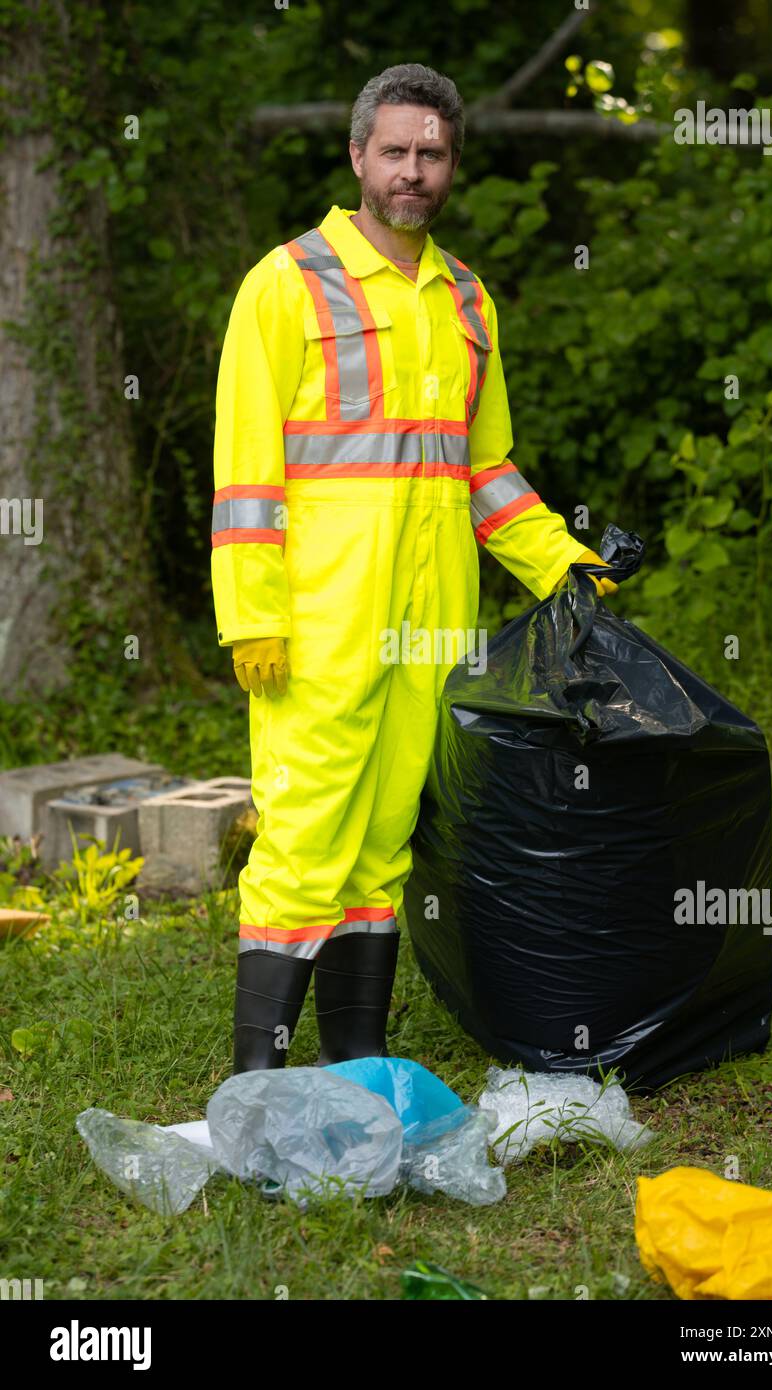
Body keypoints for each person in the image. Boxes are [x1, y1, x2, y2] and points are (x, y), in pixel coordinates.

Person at [211, 63, 617, 1074]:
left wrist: (560, 565)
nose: (410, 170)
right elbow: (245, 468)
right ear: (356, 156)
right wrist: (251, 616)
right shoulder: (287, 282)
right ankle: (254, 1079)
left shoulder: (466, 300)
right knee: (304, 831)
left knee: (385, 838)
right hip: (318, 619)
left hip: (428, 619)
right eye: (392, 150)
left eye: (429, 154)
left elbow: (480, 468)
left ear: (449, 166)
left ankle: (359, 1062)